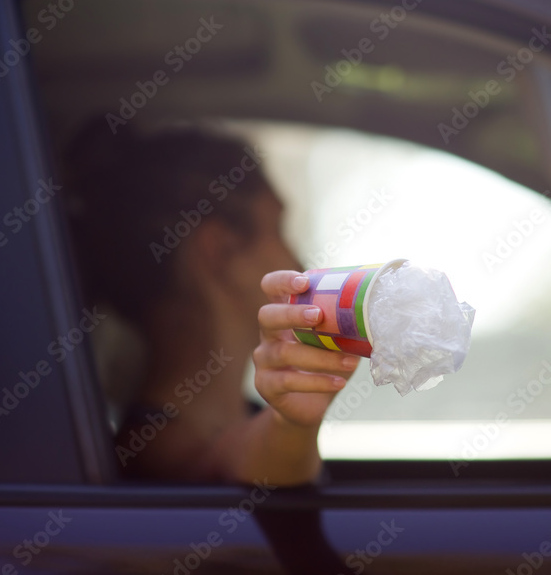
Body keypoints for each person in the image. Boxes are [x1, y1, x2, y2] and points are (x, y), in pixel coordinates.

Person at [63, 118, 357, 485]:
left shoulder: (201, 426)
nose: (299, 263)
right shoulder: (160, 453)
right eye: (278, 230)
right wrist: (293, 424)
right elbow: (243, 461)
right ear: (219, 250)